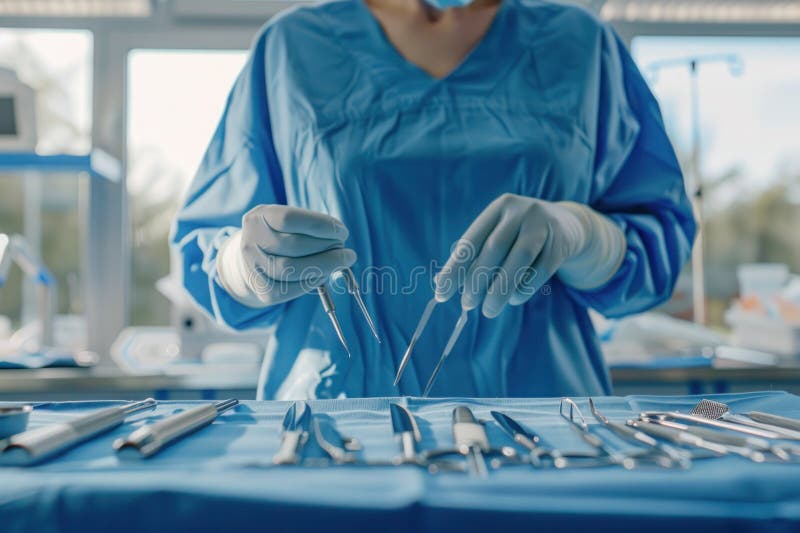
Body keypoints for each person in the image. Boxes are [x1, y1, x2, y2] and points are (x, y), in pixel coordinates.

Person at [171, 0, 695, 400]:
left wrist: (584, 237)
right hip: (338, 423)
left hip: (546, 425)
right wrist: (243, 264)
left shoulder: (581, 45)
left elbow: (658, 244)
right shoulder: (292, 46)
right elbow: (204, 250)